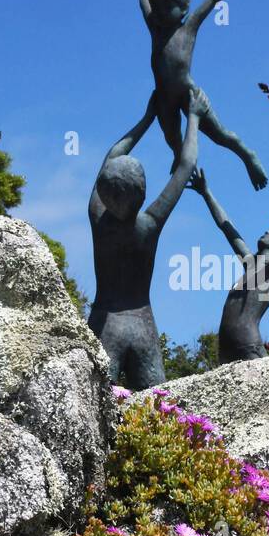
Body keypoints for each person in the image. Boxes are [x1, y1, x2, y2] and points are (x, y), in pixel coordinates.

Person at [88, 87, 208, 388]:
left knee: (96, 401)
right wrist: (193, 117)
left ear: (104, 190)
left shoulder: (98, 219)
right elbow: (186, 165)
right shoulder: (150, 223)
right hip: (143, 325)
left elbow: (112, 155)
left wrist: (148, 118)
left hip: (105, 324)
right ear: (142, 193)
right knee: (159, 408)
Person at [136, 0, 267, 191]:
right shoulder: (155, 29)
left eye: (167, 7)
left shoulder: (189, 28)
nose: (159, 12)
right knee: (171, 137)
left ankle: (248, 155)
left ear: (184, 10)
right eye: (157, 7)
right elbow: (144, 6)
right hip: (164, 98)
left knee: (220, 135)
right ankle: (181, 158)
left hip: (189, 95)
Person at [189, 120, 269, 363]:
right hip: (226, 346)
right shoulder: (252, 264)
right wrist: (206, 193)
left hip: (247, 343)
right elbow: (226, 226)